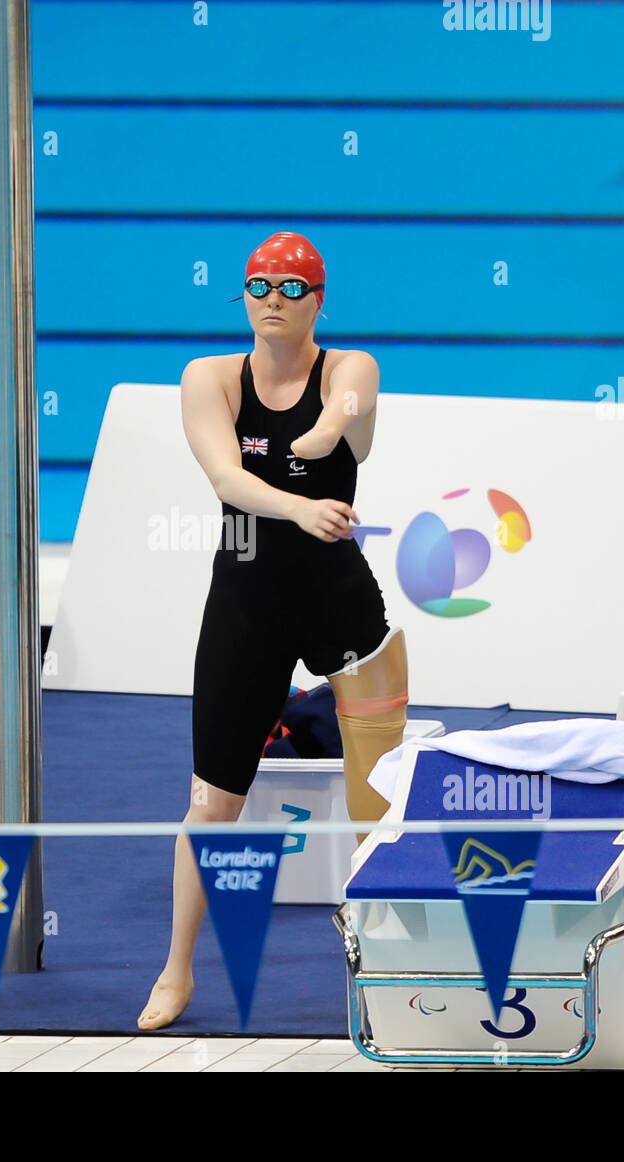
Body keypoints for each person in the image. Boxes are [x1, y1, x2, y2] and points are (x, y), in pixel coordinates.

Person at [138, 232, 409, 1030]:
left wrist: (325, 436)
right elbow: (226, 477)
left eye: (292, 288)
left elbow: (347, 414)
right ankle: (176, 970)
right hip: (248, 597)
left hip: (342, 603)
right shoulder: (209, 378)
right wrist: (300, 503)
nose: (273, 300)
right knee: (209, 800)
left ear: (319, 300)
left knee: (379, 801)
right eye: (259, 285)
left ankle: (389, 975)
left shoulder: (350, 367)